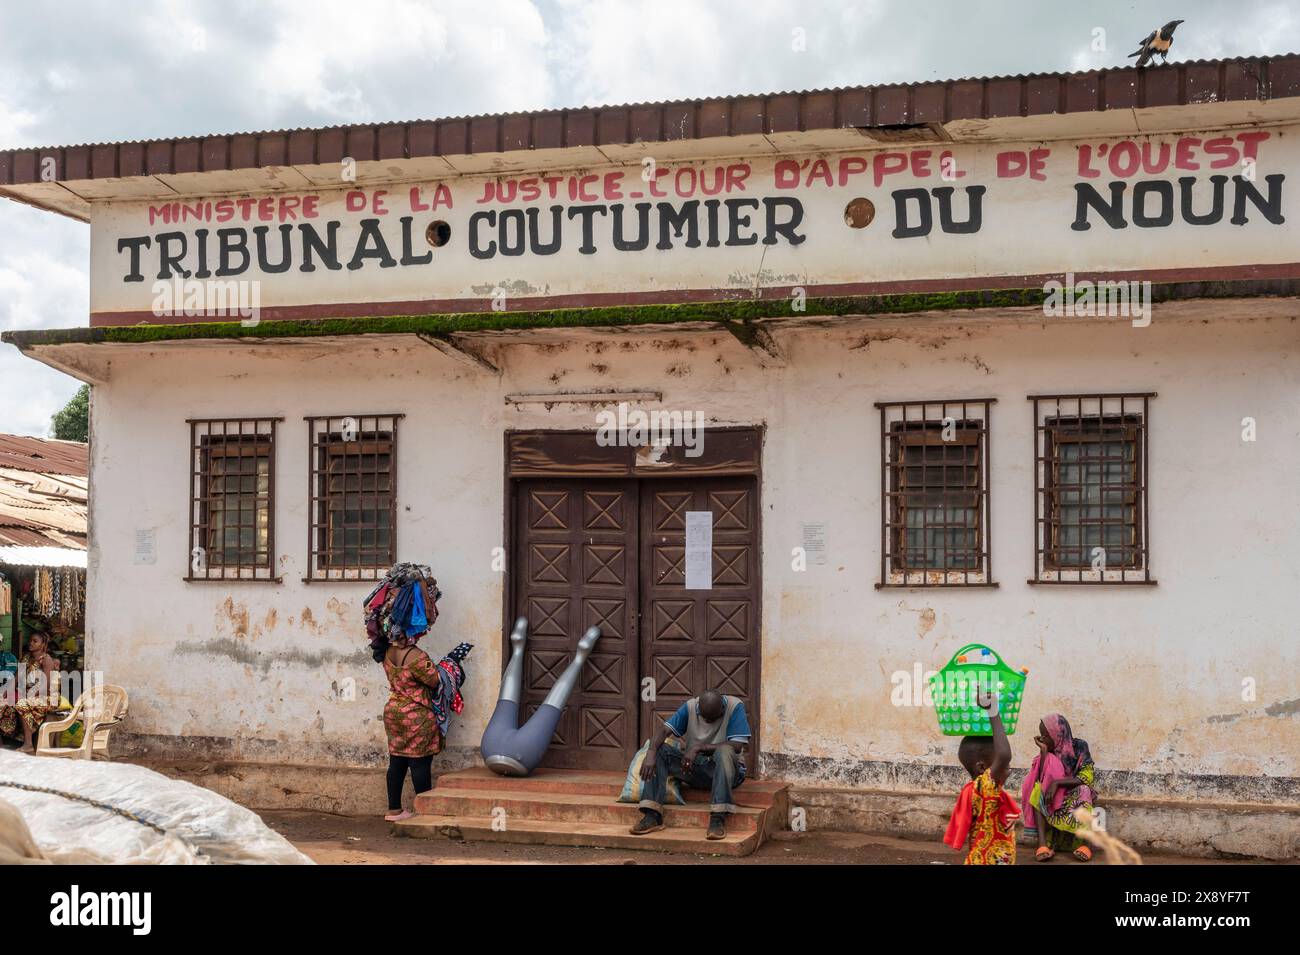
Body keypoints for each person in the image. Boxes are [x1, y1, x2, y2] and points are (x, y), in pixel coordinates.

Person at [480, 617, 601, 776]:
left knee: (507, 702)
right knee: (550, 707)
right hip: (520, 754)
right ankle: (580, 657)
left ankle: (518, 649)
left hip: (490, 748)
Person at [631, 689, 750, 841]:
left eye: (712, 719)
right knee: (660, 750)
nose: (707, 722)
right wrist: (651, 752)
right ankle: (652, 815)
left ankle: (718, 818)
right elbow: (664, 730)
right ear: (699, 709)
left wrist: (699, 747)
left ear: (722, 710)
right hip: (696, 768)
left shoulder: (735, 706)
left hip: (729, 773)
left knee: (725, 751)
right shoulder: (691, 707)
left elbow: (737, 745)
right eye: (704, 718)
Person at [944, 686, 1020, 864]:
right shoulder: (984, 787)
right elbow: (1004, 755)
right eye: (1003, 767)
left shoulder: (981, 791)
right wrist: (993, 711)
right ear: (982, 768)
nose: (1008, 769)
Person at [1022, 713, 1098, 862]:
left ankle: (1085, 844)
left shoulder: (1079, 747)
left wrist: (1057, 783)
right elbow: (1040, 778)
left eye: (1045, 735)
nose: (1043, 738)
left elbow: (1086, 777)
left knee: (1084, 790)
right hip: (1054, 798)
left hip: (1074, 795)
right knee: (1037, 790)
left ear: (1057, 734)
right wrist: (1043, 751)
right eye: (1042, 735)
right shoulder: (1049, 752)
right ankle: (1042, 845)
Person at [0, 633, 63, 753]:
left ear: (43, 644)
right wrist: (5, 693)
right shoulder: (26, 657)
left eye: (35, 641)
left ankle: (28, 744)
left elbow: (46, 685)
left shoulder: (46, 660)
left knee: (22, 704)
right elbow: (17, 678)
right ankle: (2, 743)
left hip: (47, 697)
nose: (31, 643)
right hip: (28, 694)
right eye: (30, 640)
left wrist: (28, 695)